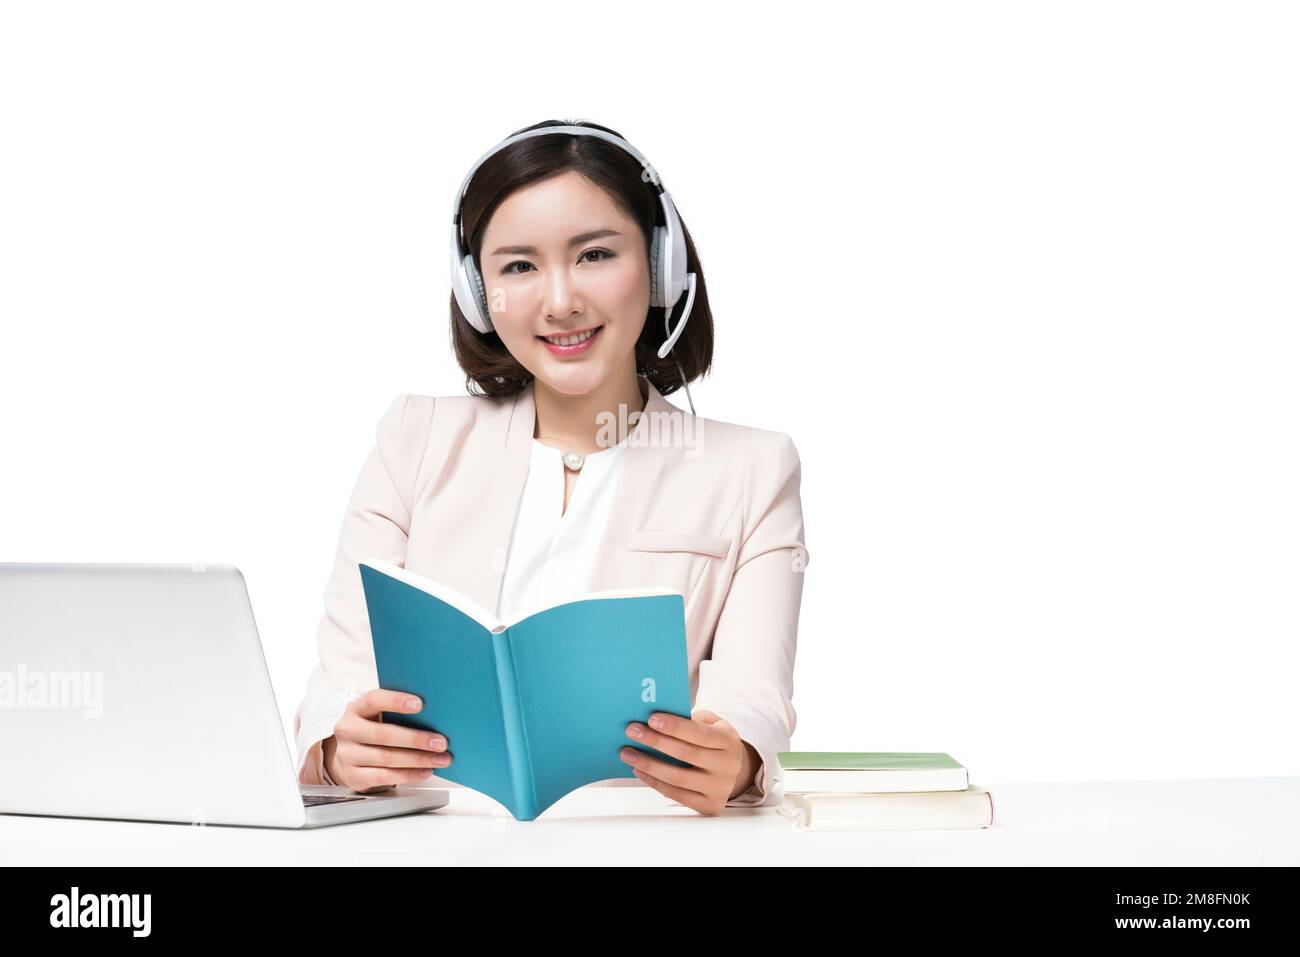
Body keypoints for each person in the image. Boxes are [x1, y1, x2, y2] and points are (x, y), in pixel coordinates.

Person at [292, 119, 809, 815]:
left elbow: (756, 699)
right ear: (479, 293)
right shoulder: (414, 440)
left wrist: (738, 758)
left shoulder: (752, 468)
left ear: (661, 266)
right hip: (430, 843)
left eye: (594, 255)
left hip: (643, 844)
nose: (560, 300)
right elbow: (338, 681)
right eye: (518, 266)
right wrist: (335, 748)